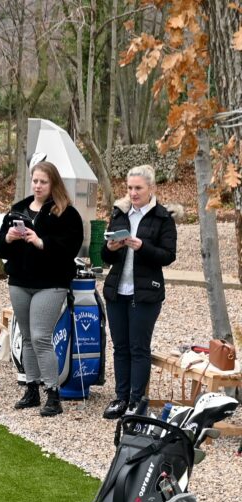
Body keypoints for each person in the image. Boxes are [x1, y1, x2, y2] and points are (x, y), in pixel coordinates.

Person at [0, 161, 84, 416]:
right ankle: (31, 388)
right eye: (35, 181)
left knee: (41, 336)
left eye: (43, 182)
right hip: (20, 281)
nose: (38, 186)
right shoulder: (18, 210)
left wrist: (41, 242)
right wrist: (7, 238)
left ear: (53, 184)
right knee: (27, 337)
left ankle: (53, 394)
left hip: (51, 283)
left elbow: (71, 248)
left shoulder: (66, 213)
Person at [100, 164, 177, 419]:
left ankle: (136, 401)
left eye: (138, 188)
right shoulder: (119, 213)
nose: (133, 193)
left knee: (138, 347)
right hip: (116, 291)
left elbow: (168, 256)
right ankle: (121, 398)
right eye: (130, 188)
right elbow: (104, 256)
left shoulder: (163, 217)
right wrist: (110, 248)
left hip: (145, 293)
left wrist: (142, 246)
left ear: (151, 188)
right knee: (120, 347)